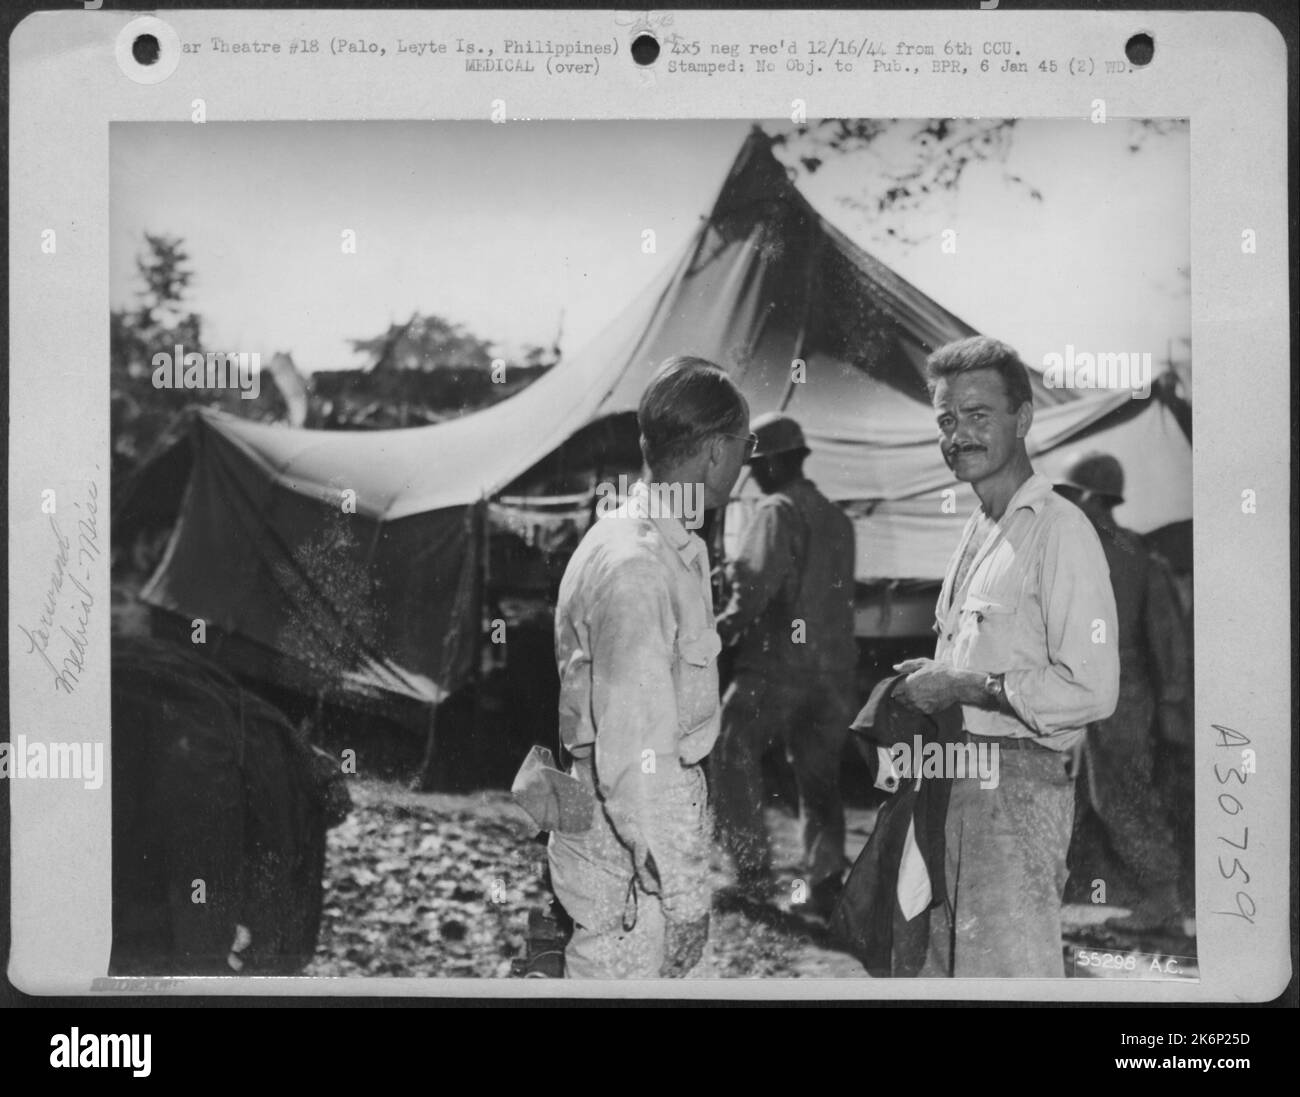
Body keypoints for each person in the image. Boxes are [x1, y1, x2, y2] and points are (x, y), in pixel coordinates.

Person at [893, 335, 1119, 978]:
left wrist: (966, 685)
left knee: (1010, 980)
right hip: (955, 784)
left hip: (1017, 794)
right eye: (946, 419)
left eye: (977, 415)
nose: (957, 435)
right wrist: (935, 680)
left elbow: (1093, 689)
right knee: (944, 974)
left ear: (1022, 419)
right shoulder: (979, 528)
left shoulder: (1060, 530)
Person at [547, 356, 750, 978]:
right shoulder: (639, 566)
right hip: (634, 863)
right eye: (746, 444)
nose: (746, 461)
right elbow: (639, 759)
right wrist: (686, 896)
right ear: (716, 452)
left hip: (631, 848)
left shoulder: (662, 543)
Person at [712, 413, 858, 915]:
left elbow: (752, 589)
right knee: (818, 777)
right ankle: (824, 882)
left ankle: (752, 873)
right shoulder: (837, 518)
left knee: (730, 753)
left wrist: (719, 631)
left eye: (755, 466)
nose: (751, 476)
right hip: (834, 673)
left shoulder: (776, 511)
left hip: (778, 667)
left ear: (774, 462)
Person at [1054, 452, 1193, 932]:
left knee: (1120, 797)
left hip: (1113, 696)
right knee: (1089, 796)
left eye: (1073, 495)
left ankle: (1164, 901)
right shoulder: (1135, 551)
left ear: (1090, 497)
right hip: (1112, 693)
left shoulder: (1093, 548)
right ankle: (1077, 893)